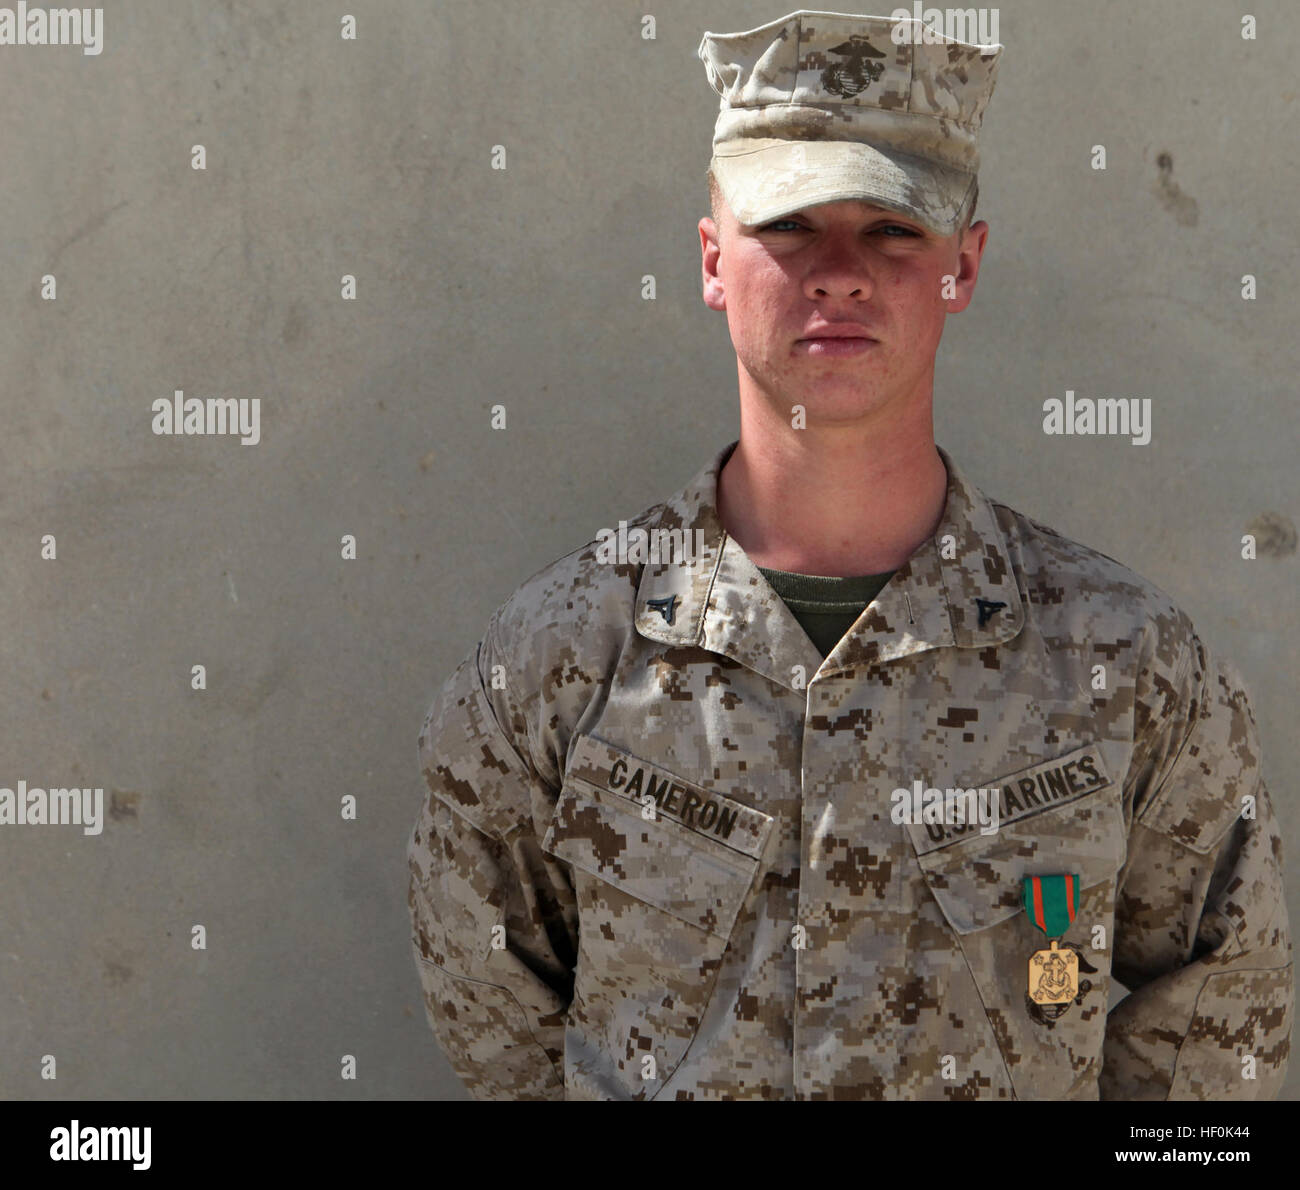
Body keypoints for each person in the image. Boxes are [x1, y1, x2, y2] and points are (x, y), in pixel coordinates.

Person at [406, 9, 1292, 1100]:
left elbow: (1221, 1003)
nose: (838, 272)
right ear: (711, 261)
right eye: (788, 226)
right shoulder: (560, 659)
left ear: (962, 264)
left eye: (892, 228)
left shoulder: (1121, 665)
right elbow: (495, 1013)